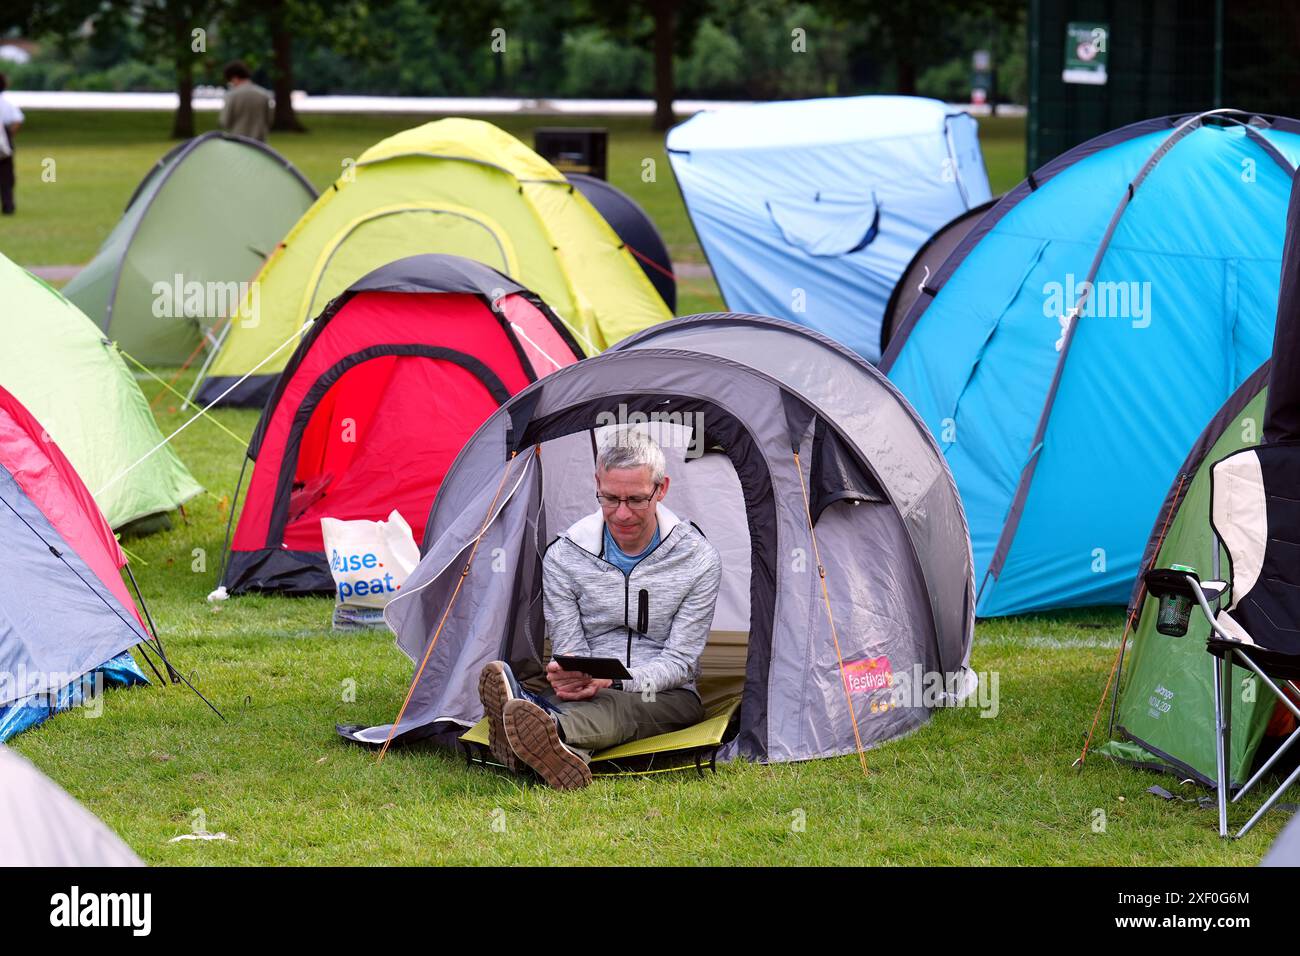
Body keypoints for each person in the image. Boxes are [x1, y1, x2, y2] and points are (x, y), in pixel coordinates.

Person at [477, 428, 722, 790]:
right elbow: (570, 646)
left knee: (620, 706)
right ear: (597, 483)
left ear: (662, 489)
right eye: (610, 498)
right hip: (586, 691)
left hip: (668, 694)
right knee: (589, 701)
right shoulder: (564, 556)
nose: (622, 514)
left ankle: (542, 725)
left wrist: (618, 680)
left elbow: (681, 662)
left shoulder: (698, 559)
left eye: (637, 500)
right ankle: (555, 746)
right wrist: (571, 674)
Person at [219, 61, 272, 142]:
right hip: (259, 143)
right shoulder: (263, 95)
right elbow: (268, 120)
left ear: (234, 78)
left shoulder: (232, 95)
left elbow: (225, 121)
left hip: (238, 141)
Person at [0, 73, 24, 215]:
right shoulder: (5, 104)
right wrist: (9, 135)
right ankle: (8, 205)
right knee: (6, 176)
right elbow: (17, 120)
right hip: (4, 144)